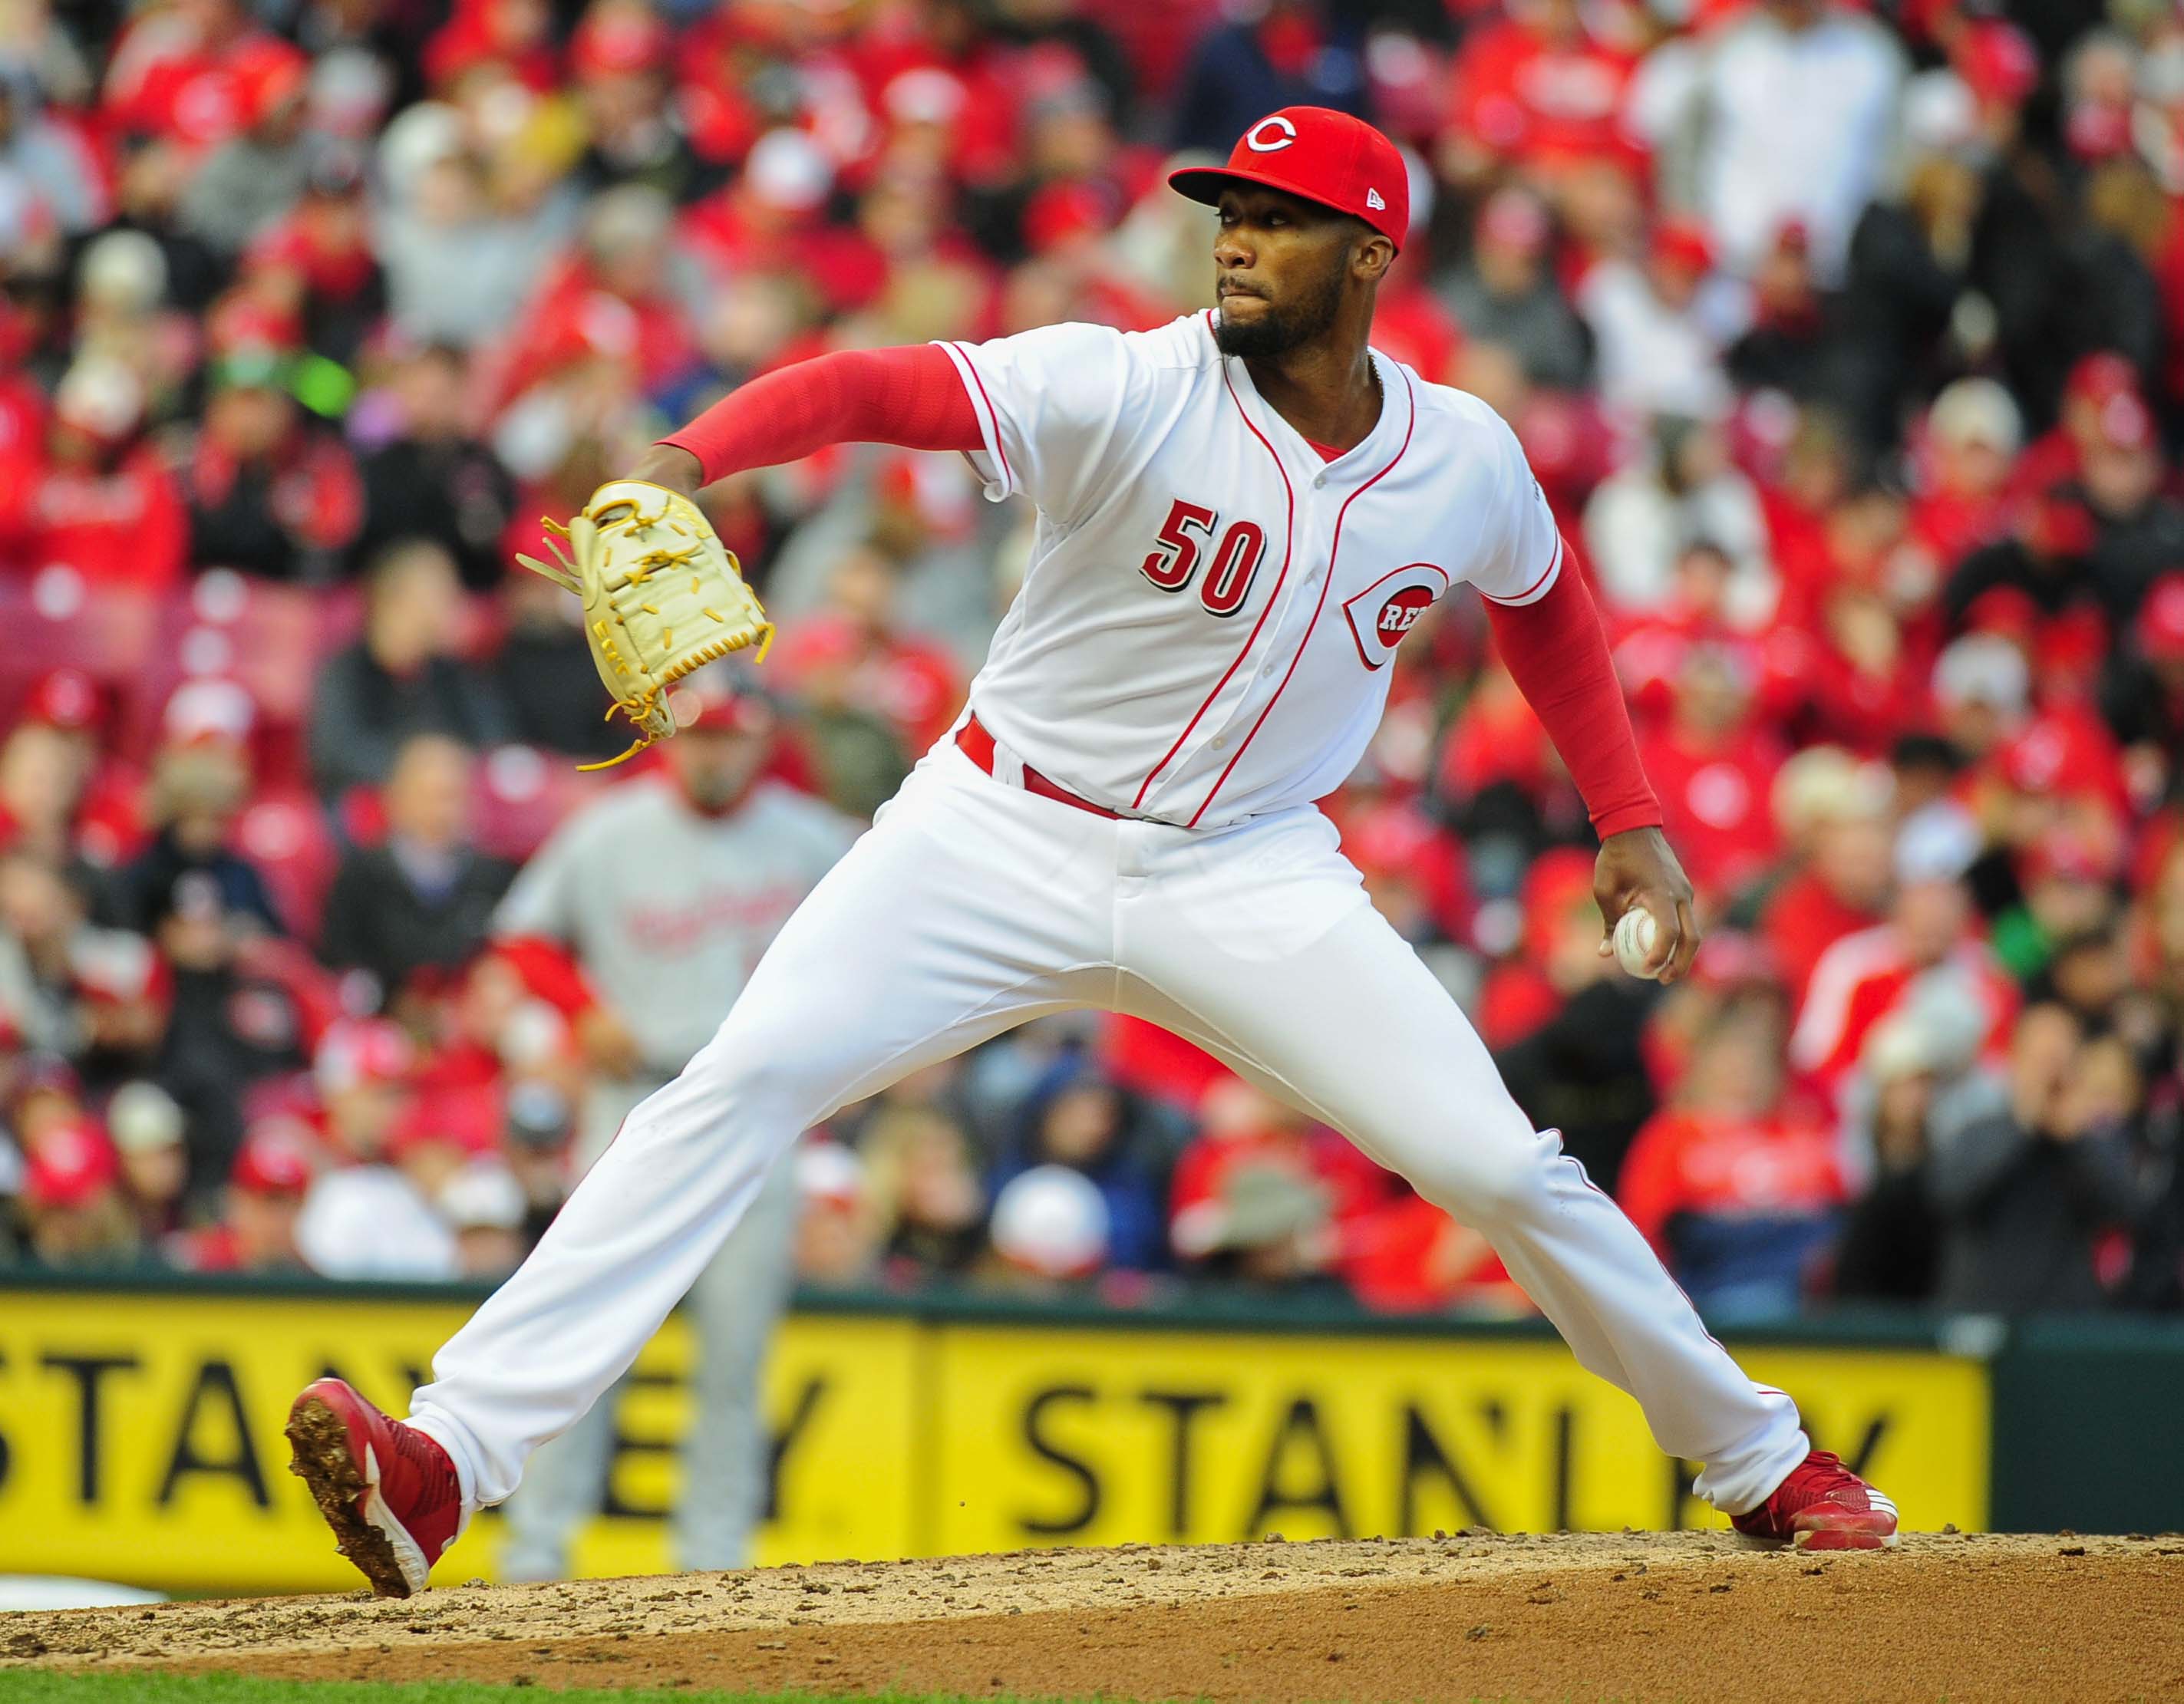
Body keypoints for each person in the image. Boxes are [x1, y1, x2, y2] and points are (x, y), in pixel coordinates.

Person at [286, 107, 1897, 1599]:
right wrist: (683, 463)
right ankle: (451, 1463)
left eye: (1279, 218)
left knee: (1495, 1166)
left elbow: (1543, 594)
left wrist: (1626, 818)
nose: (1236, 241)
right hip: (994, 831)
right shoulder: (1123, 383)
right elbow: (872, 382)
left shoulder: (1458, 453)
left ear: (1371, 259)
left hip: (1249, 871)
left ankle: (1760, 1460)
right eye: (1229, 213)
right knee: (732, 1088)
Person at [480, 668, 854, 1581]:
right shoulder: (610, 830)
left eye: (729, 735)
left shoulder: (814, 840)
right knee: (588, 1340)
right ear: (668, 741)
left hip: (753, 1118)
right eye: (698, 736)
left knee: (733, 1358)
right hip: (631, 1102)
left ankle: (711, 1566)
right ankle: (536, 1554)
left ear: (763, 740)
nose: (713, 752)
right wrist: (579, 1007)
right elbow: (522, 936)